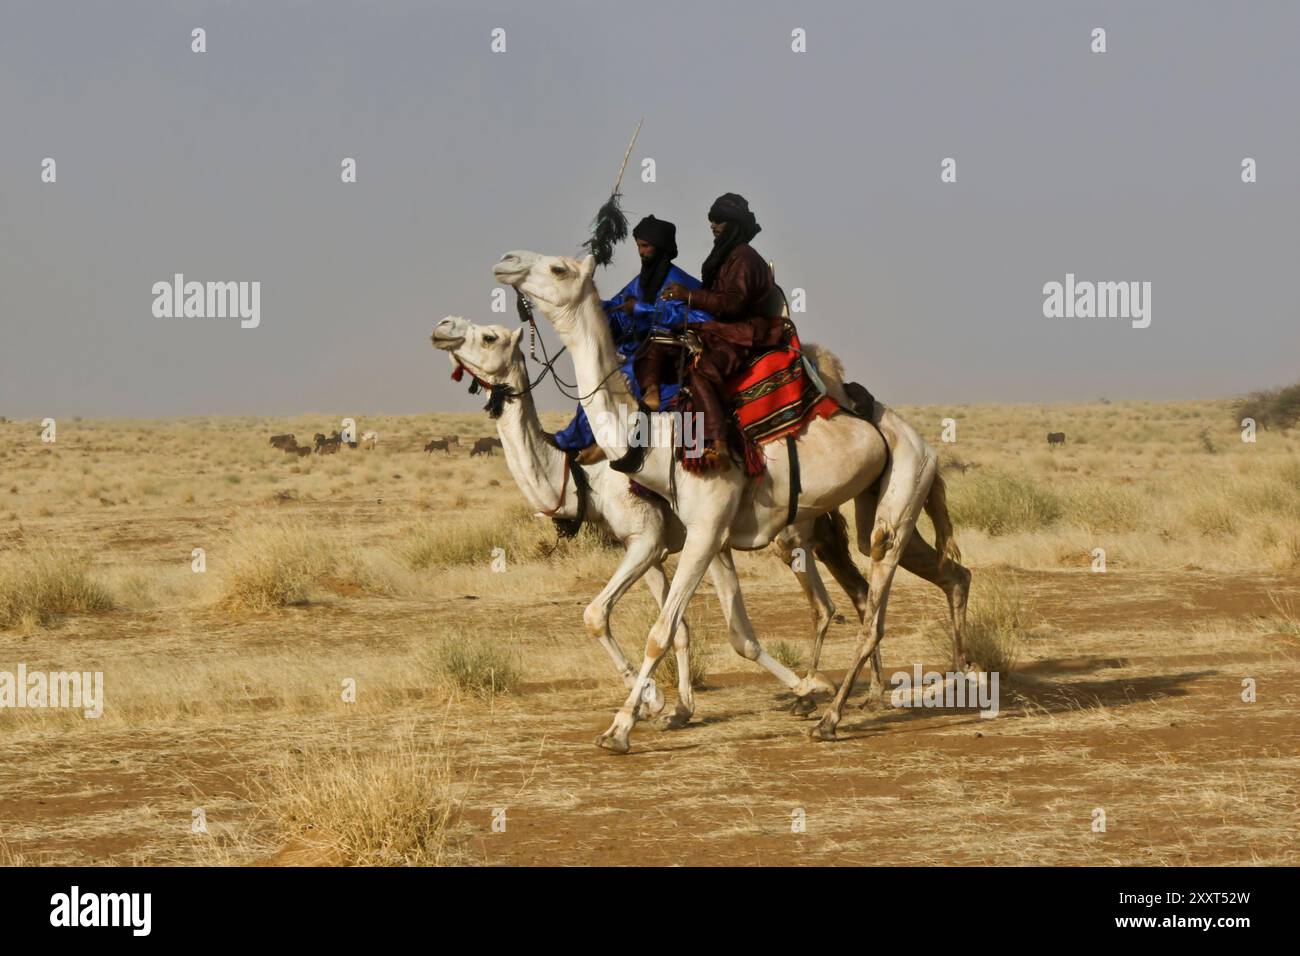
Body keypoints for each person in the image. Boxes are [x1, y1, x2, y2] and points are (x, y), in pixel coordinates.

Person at [552, 215, 707, 462]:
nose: (642, 253)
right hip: (637, 351)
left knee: (632, 378)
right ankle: (574, 440)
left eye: (646, 247)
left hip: (672, 355)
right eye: (638, 247)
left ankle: (629, 448)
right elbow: (616, 311)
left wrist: (641, 310)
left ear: (662, 248)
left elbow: (698, 317)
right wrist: (589, 298)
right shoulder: (639, 283)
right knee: (600, 380)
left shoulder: (682, 283)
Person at [657, 193, 785, 469]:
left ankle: (718, 441)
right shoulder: (728, 256)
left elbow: (732, 304)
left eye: (720, 221)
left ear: (735, 225)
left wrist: (689, 296)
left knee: (702, 369)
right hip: (724, 327)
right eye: (711, 221)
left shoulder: (744, 258)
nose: (713, 226)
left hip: (745, 333)